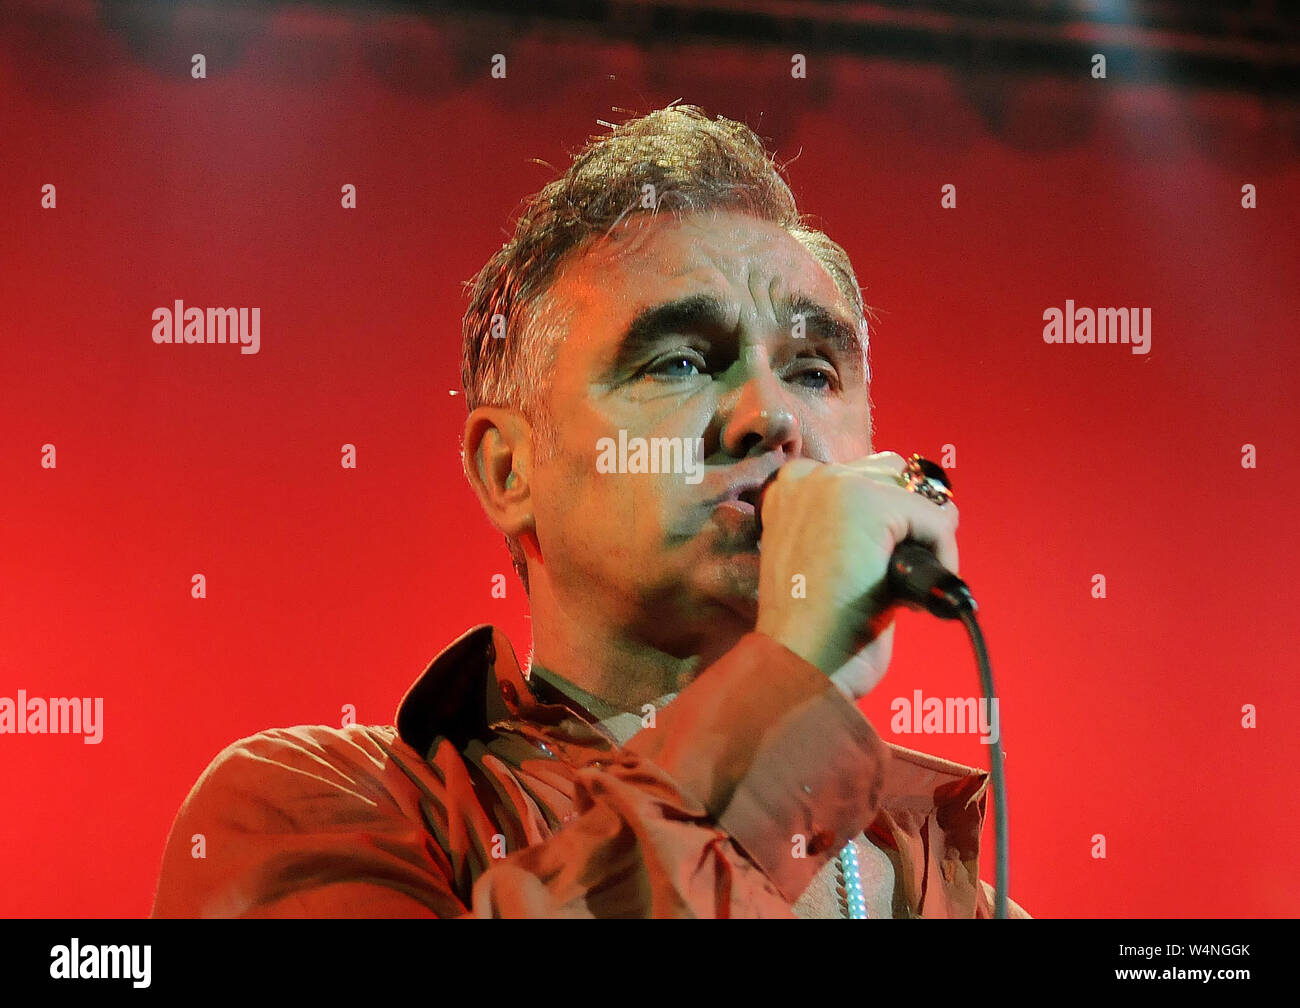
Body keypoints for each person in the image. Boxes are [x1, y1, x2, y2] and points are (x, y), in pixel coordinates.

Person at [151, 104, 1028, 919]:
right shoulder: (322, 806)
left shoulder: (960, 897)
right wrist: (791, 679)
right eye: (681, 361)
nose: (773, 415)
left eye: (813, 371)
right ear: (509, 468)